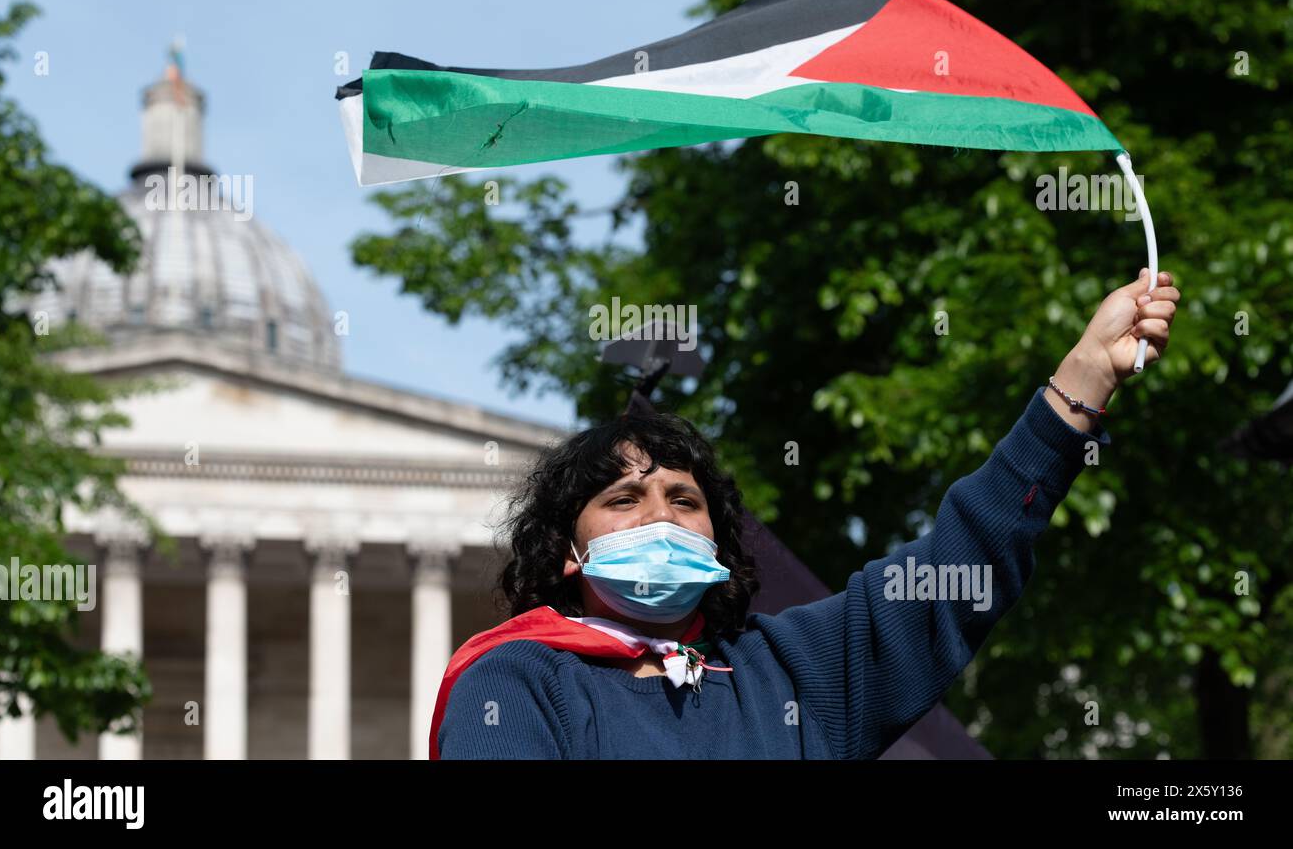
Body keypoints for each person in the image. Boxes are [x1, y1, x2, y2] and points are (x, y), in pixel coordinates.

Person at [434, 269, 1180, 759]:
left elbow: (958, 563)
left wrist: (1082, 377)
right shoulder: (513, 682)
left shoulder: (793, 673)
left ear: (720, 546)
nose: (658, 517)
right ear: (570, 552)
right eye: (622, 499)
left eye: (683, 500)